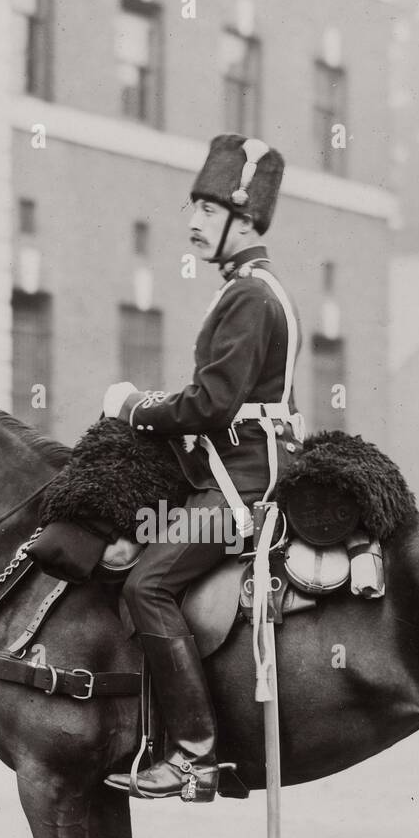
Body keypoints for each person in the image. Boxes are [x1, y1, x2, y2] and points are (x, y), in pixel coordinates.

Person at [102, 133, 304, 802]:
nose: (193, 220)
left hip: (242, 481)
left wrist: (134, 408)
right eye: (193, 205)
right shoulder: (251, 290)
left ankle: (195, 753)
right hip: (239, 467)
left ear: (243, 221)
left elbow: (213, 405)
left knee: (146, 587)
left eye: (209, 210)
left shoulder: (248, 298)